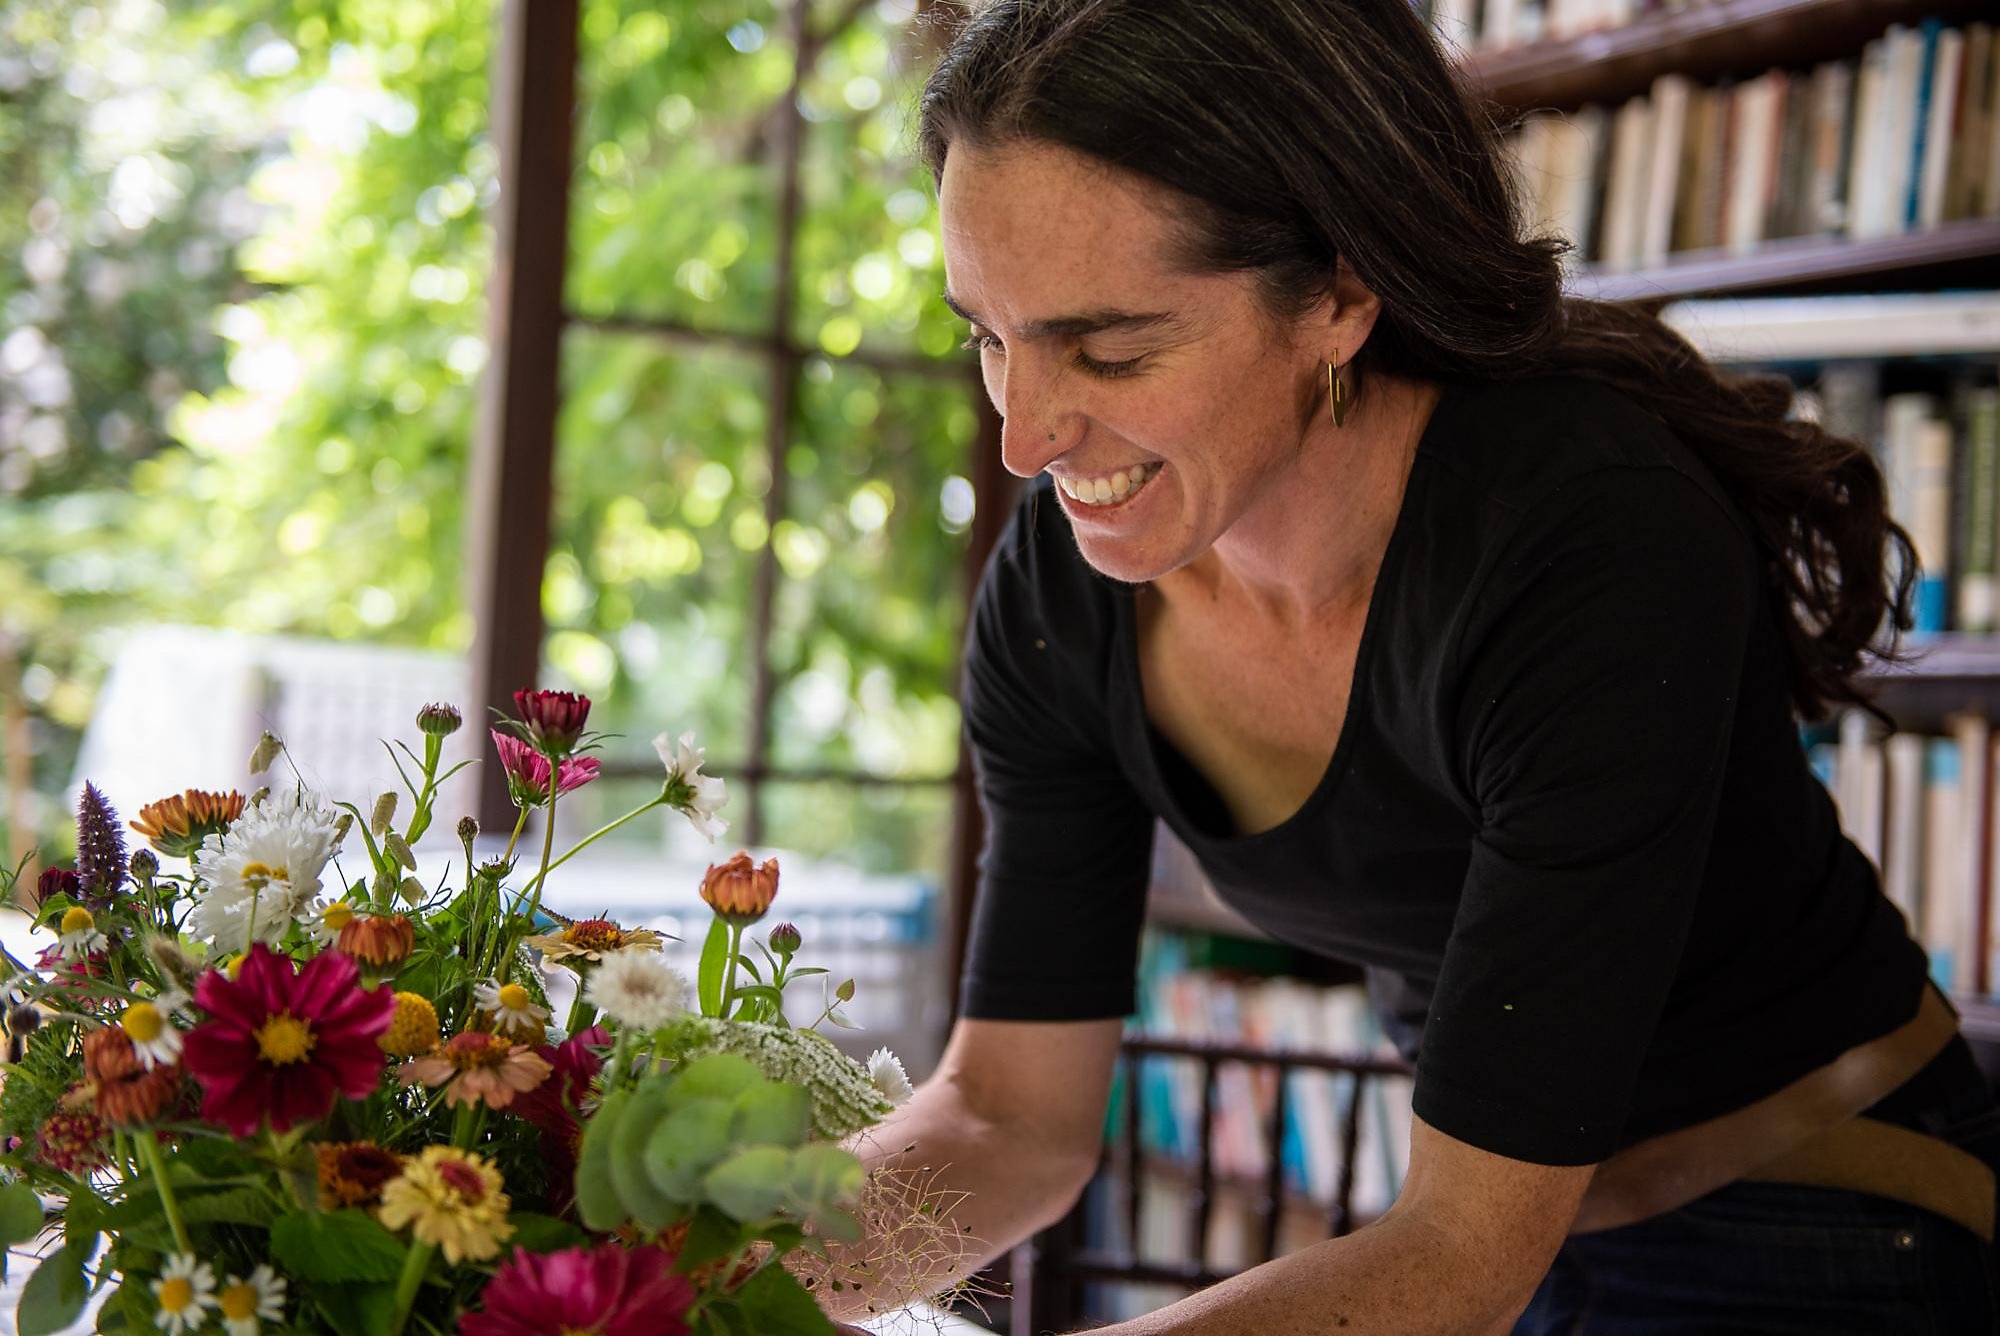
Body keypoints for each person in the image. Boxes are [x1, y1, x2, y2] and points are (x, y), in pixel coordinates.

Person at [815, 1, 2000, 1331]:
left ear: (1338, 292)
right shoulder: (1063, 590)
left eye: (1111, 347)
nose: (1023, 436)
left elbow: (1462, 1254)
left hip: (1827, 1207)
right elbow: (1010, 1118)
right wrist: (681, 1282)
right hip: (1494, 1227)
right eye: (986, 332)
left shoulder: (1587, 541)